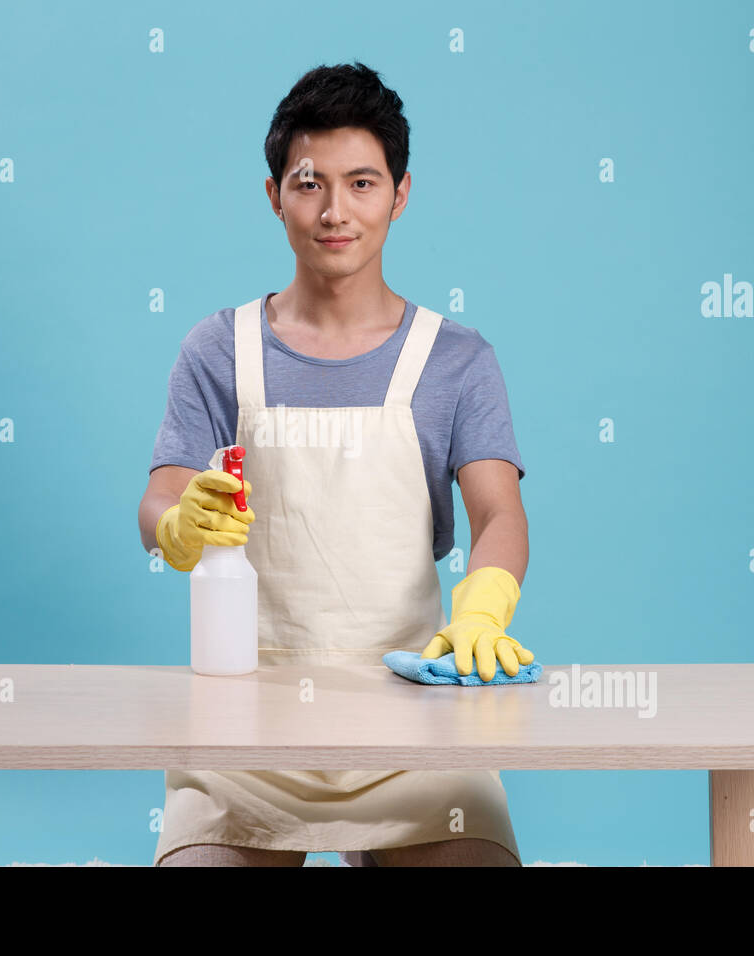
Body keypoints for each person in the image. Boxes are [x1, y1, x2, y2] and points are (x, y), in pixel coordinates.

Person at [138, 62, 533, 867]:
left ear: (401, 193)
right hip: (244, 736)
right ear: (275, 195)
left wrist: (484, 607)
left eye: (362, 183)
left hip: (412, 732)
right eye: (310, 184)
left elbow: (499, 514)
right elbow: (159, 498)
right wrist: (176, 527)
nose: (335, 211)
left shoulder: (455, 360)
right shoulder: (221, 350)